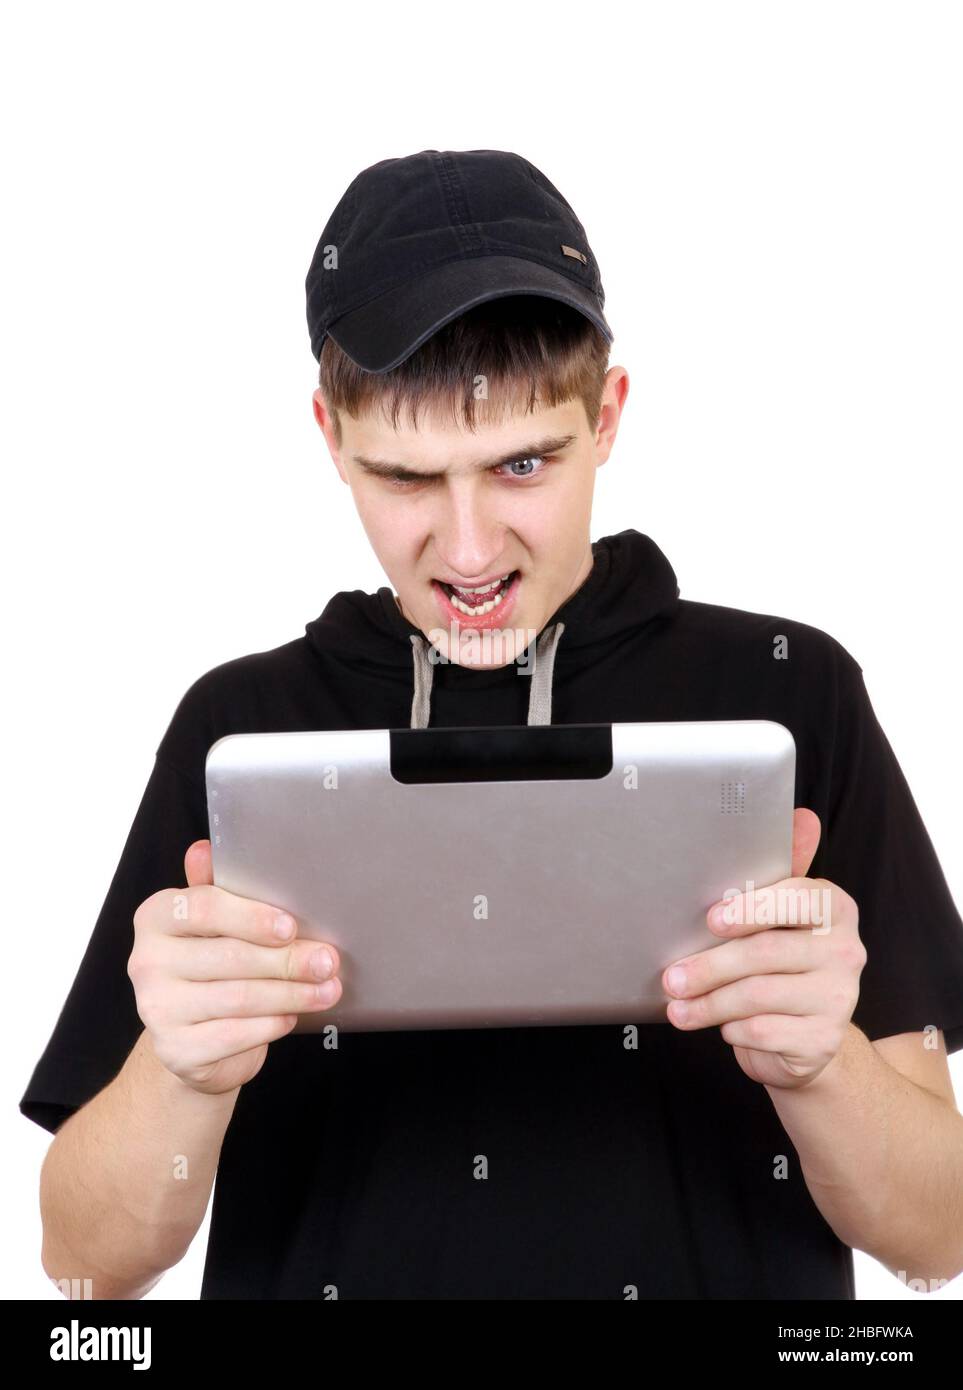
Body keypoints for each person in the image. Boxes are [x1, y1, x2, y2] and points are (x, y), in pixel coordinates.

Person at [21, 149, 963, 1300]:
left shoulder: (792, 695)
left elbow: (940, 1237)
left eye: (522, 463)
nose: (468, 552)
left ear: (605, 415)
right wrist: (181, 1071)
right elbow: (83, 1262)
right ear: (330, 437)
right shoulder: (243, 730)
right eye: (406, 478)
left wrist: (821, 1068)